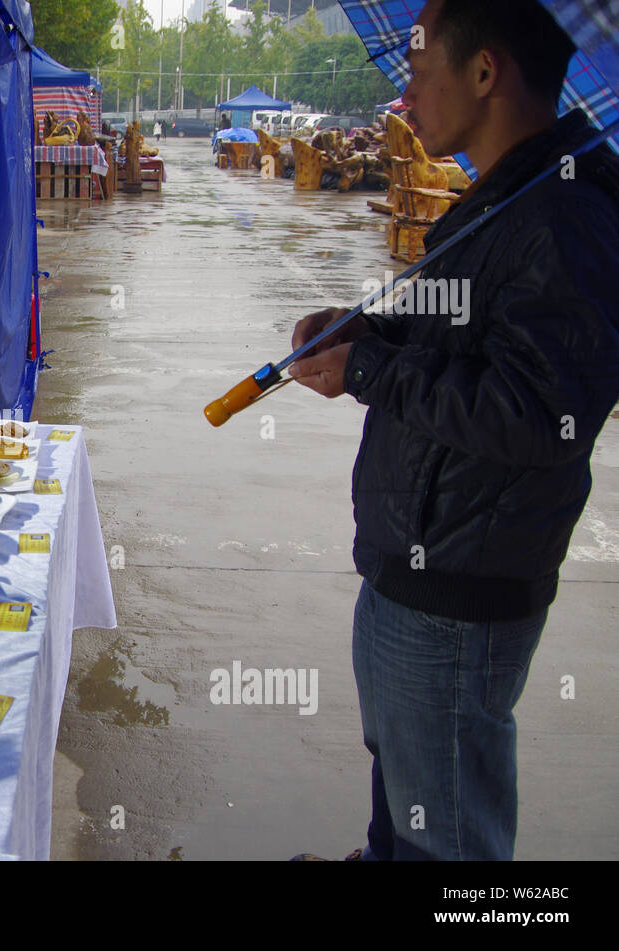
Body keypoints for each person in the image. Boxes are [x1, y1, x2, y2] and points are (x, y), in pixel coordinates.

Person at [287, 0, 619, 860]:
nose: (403, 94)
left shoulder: (564, 214)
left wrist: (369, 370)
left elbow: (543, 413)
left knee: (450, 844)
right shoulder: (510, 195)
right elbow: (465, 335)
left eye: (418, 67)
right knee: (407, 807)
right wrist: (372, 333)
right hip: (418, 566)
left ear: (484, 72)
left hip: (460, 590)